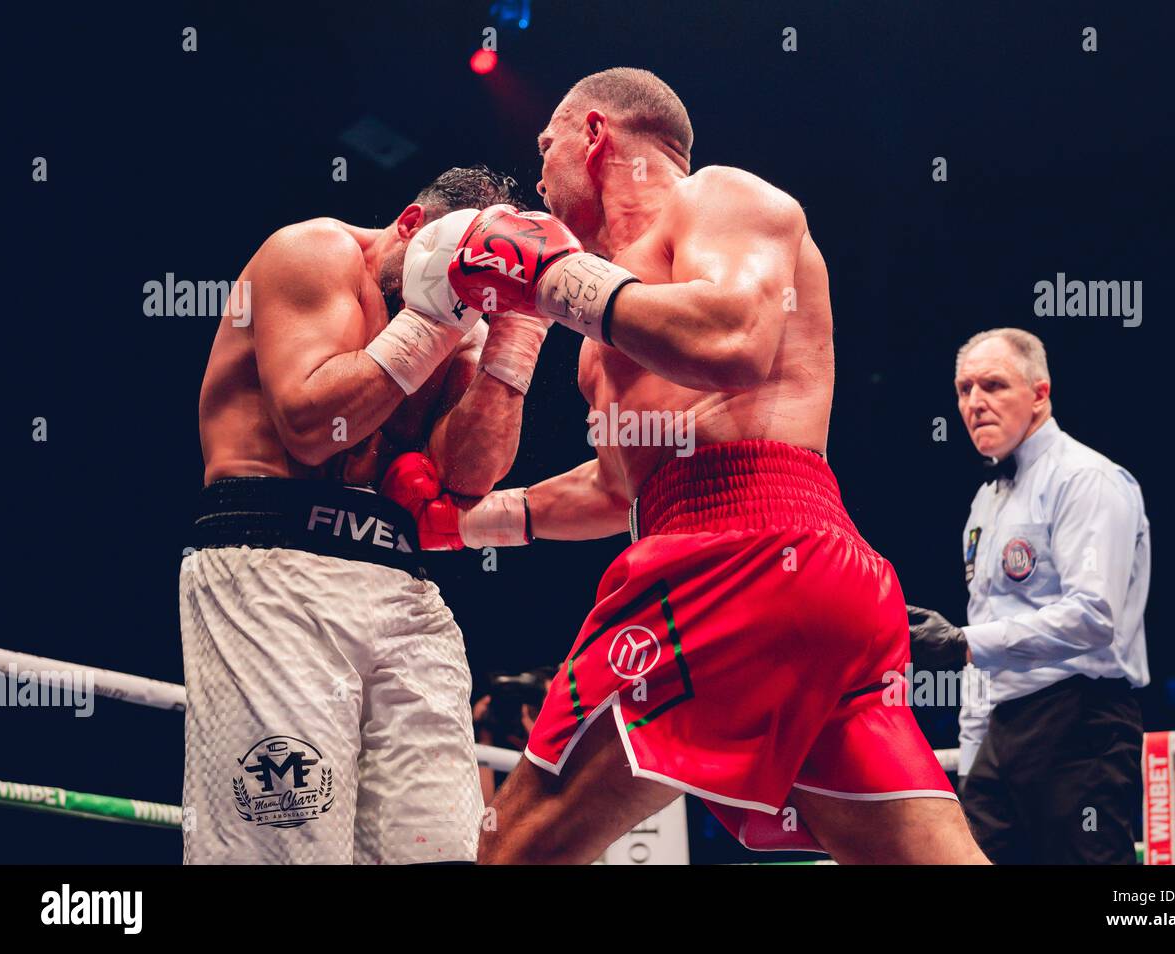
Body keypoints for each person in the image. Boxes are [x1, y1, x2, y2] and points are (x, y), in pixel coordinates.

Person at [384, 68, 987, 864]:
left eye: (546, 144)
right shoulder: (605, 329)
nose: (536, 175)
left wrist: (554, 274)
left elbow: (735, 342)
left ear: (596, 136)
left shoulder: (720, 197)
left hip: (743, 551)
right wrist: (465, 520)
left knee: (510, 850)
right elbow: (615, 491)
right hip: (806, 589)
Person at [182, 166, 547, 864]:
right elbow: (312, 429)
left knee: (440, 848)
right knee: (282, 841)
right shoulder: (310, 252)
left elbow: (469, 475)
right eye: (458, 263)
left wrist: (516, 334)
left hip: (402, 584)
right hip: (272, 568)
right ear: (411, 225)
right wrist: (437, 311)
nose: (467, 290)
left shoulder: (465, 319)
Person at [906, 327, 1150, 864]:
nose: (975, 403)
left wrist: (963, 643)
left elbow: (1094, 616)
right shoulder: (986, 501)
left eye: (993, 385)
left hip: (1079, 723)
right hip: (1000, 734)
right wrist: (973, 761)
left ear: (1040, 393)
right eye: (964, 389)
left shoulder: (1086, 480)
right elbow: (985, 624)